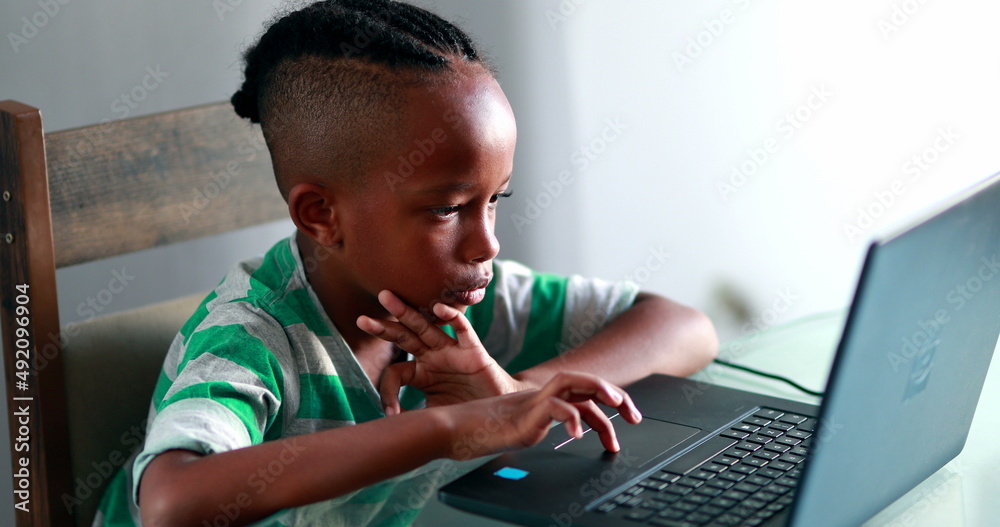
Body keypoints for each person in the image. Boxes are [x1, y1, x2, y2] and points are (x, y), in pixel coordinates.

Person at [94, 1, 718, 525]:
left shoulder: (454, 296)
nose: (487, 244)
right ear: (320, 216)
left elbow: (684, 328)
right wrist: (454, 426)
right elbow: (172, 502)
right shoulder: (253, 340)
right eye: (448, 208)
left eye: (494, 200)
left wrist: (518, 395)